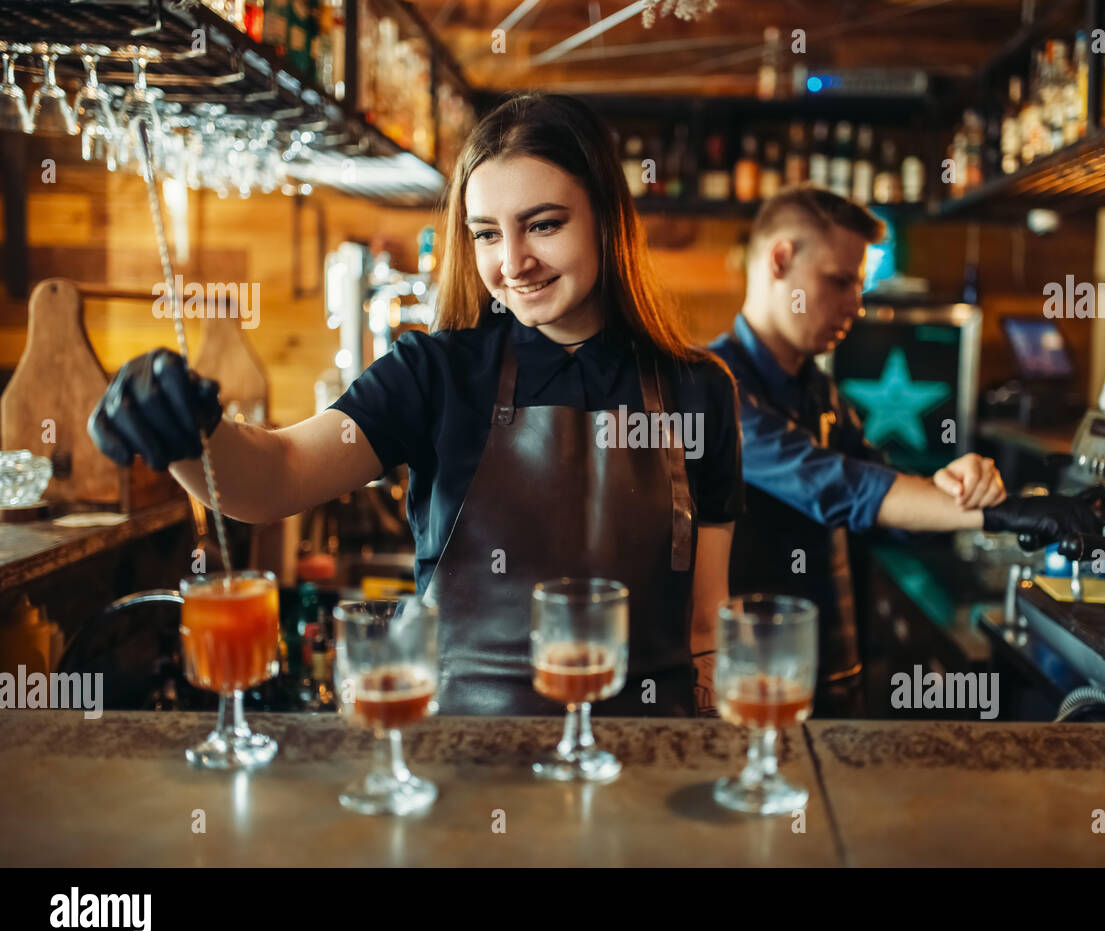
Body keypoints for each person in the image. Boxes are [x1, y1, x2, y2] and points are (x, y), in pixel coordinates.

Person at [87, 92, 743, 718]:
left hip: (640, 761)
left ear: (606, 217)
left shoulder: (699, 389)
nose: (513, 262)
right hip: (458, 763)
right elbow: (276, 474)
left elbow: (705, 621)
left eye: (543, 225)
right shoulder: (435, 373)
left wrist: (716, 745)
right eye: (487, 234)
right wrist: (192, 433)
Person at [708, 185, 1099, 717]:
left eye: (859, 286)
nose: (856, 304)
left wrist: (955, 482)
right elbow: (835, 485)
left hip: (833, 673)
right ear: (780, 259)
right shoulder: (712, 384)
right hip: (751, 683)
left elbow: (887, 502)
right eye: (840, 281)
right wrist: (999, 513)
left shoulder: (817, 390)